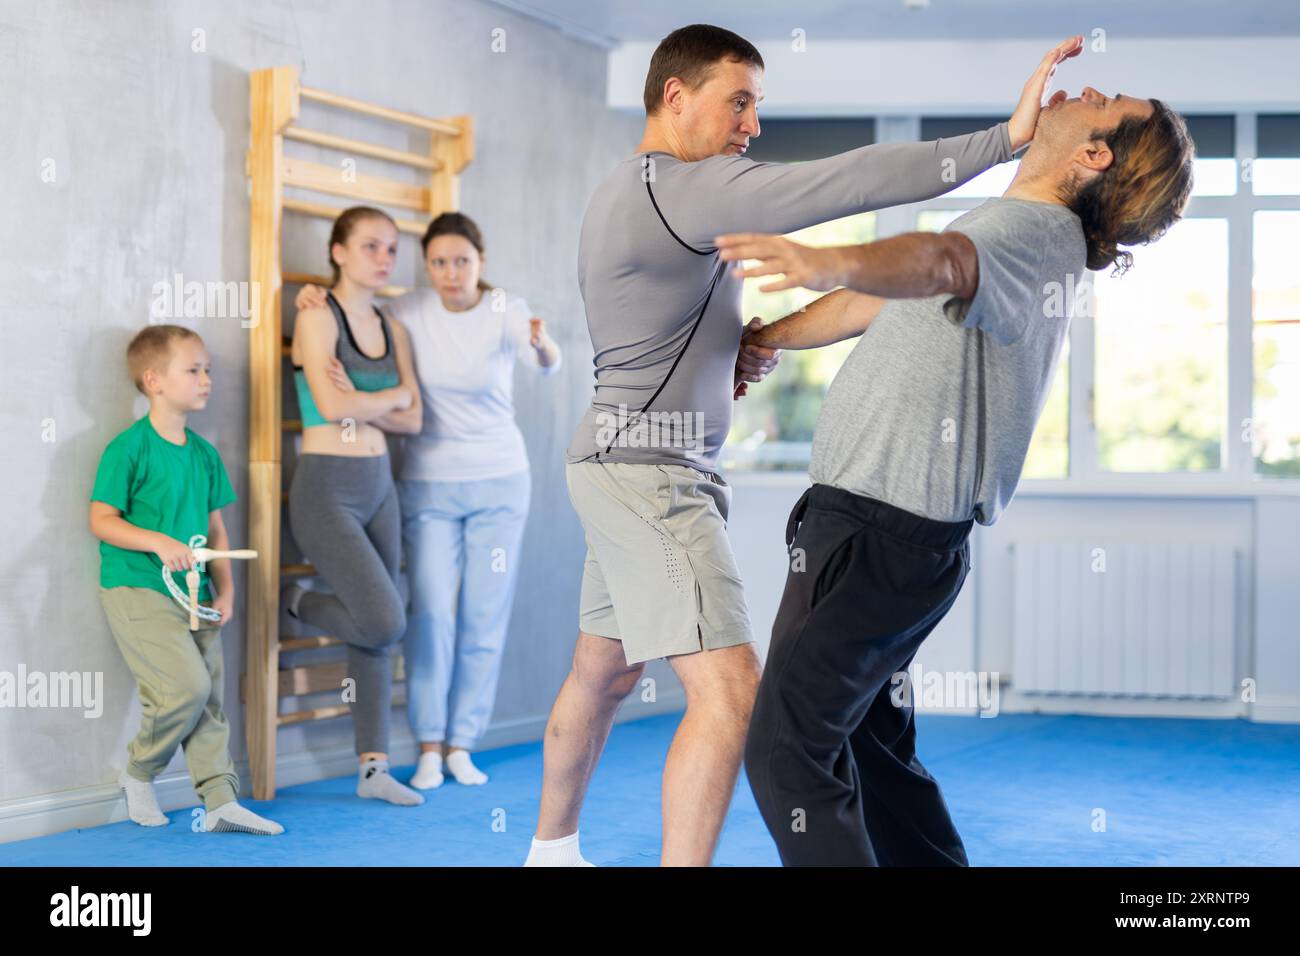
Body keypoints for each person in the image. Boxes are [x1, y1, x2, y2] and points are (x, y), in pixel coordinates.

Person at [526, 22, 1083, 866]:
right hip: (651, 477)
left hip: (619, 461)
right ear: (675, 98)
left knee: (603, 670)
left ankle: (550, 852)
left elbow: (666, 329)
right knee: (733, 694)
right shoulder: (684, 185)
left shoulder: (636, 188)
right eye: (738, 102)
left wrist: (736, 351)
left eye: (758, 107)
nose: (752, 125)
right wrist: (1004, 140)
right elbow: (846, 181)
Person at [718, 86, 1195, 865]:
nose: (1084, 91)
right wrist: (767, 337)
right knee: (874, 756)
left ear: (1093, 153)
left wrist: (820, 255)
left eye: (1104, 101)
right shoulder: (1026, 236)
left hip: (878, 532)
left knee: (786, 750)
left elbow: (939, 259)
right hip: (898, 537)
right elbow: (874, 301)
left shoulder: (1028, 231)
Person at [296, 211, 563, 789]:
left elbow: (544, 360)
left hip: (500, 480)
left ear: (480, 263)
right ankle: (428, 745)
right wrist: (313, 294)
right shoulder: (405, 312)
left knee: (483, 617)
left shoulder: (504, 309)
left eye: (461, 261)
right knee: (431, 615)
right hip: (428, 484)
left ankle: (463, 742)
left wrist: (541, 345)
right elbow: (351, 321)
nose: (449, 272)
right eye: (437, 261)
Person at [90, 324, 283, 834]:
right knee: (186, 688)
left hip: (197, 593)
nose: (206, 380)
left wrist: (229, 588)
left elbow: (215, 528)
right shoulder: (128, 448)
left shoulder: (203, 454)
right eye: (193, 369)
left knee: (211, 696)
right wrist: (158, 542)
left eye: (208, 371)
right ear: (153, 379)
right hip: (138, 587)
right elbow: (101, 520)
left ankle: (219, 801)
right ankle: (139, 771)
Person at [283, 205, 425, 806]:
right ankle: (298, 602)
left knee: (382, 629)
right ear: (338, 252)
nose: (384, 258)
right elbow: (330, 404)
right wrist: (387, 397)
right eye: (370, 246)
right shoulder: (318, 317)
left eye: (391, 248)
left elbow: (414, 417)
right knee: (384, 617)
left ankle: (373, 769)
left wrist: (372, 399)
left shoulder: (395, 328)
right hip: (326, 485)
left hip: (380, 483)